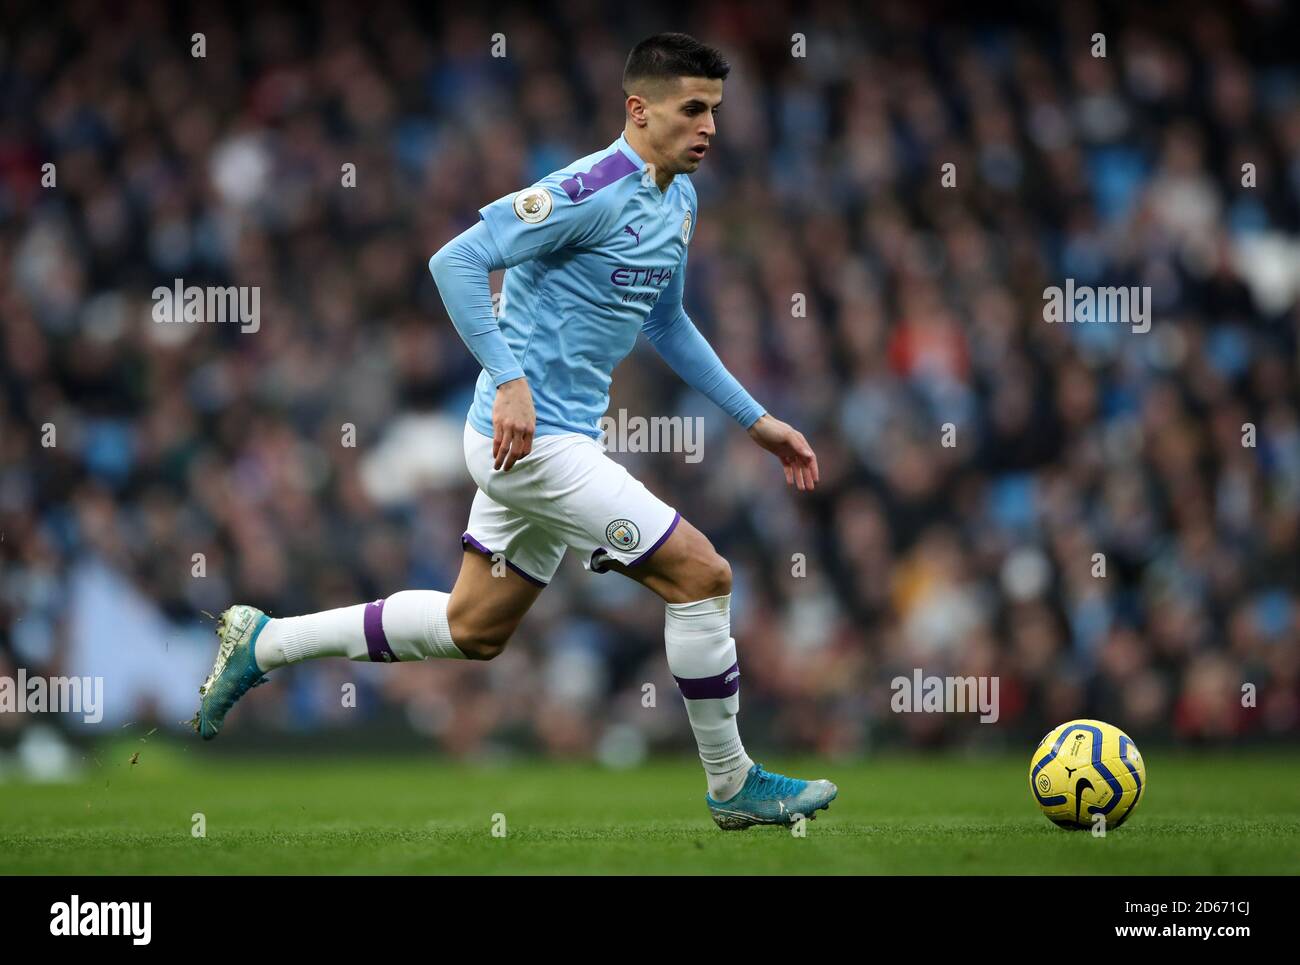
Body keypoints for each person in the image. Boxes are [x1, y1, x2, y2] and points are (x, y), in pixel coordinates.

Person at [193, 32, 836, 830]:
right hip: (533, 443)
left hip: (552, 440)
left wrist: (756, 420)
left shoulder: (679, 200)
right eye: (692, 109)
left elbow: (667, 322)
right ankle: (732, 782)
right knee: (702, 574)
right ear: (639, 110)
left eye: (715, 111)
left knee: (472, 627)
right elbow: (455, 262)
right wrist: (509, 379)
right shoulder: (588, 189)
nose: (709, 127)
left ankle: (264, 642)